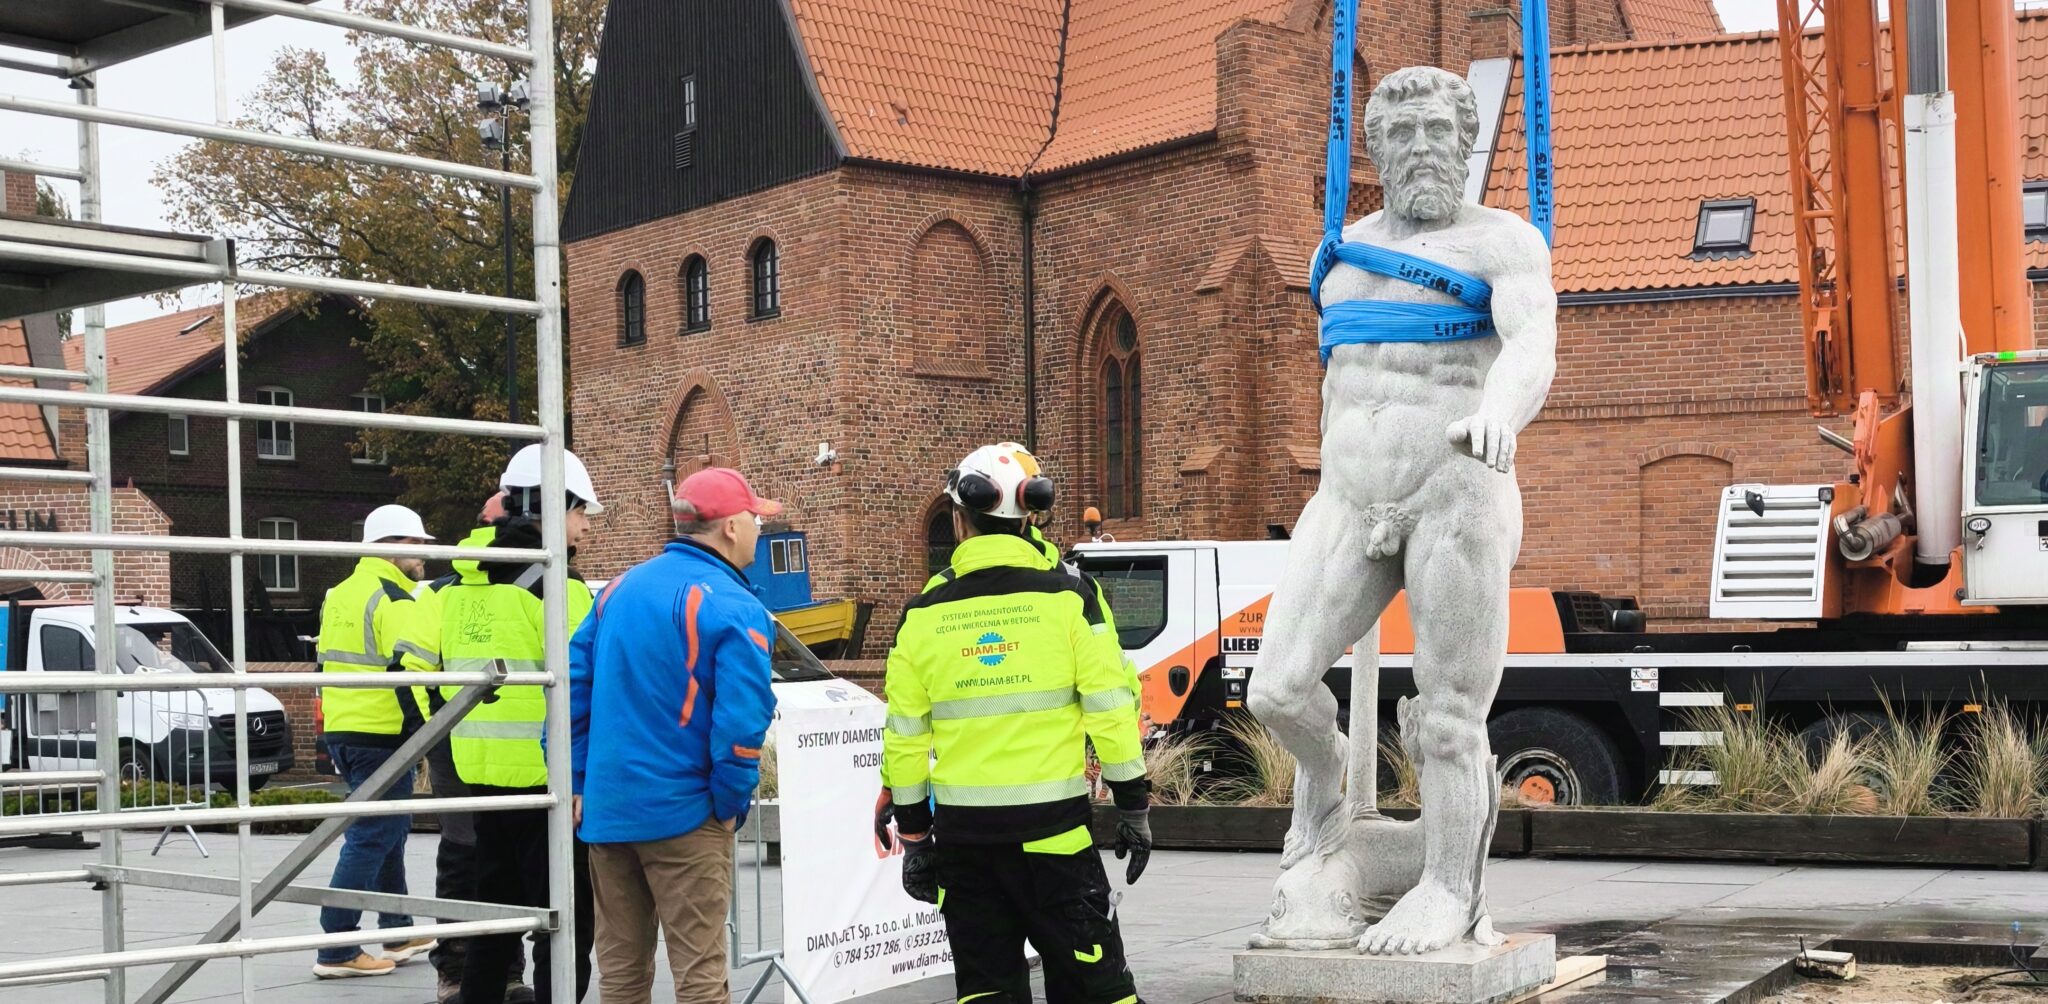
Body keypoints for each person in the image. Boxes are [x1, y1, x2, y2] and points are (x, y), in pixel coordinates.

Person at [1245, 65, 1558, 955]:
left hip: (1456, 491)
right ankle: (1330, 786)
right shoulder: (1338, 256)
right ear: (1376, 151)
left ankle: (1448, 892)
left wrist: (1499, 412)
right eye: (1403, 134)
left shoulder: (1503, 241)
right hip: (1348, 498)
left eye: (1437, 132)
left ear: (1466, 143)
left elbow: (1532, 341)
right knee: (1277, 689)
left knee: (1450, 714)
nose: (1422, 148)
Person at [879, 442, 1153, 1004]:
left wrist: (914, 835)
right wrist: (1133, 806)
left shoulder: (923, 613)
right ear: (1029, 518)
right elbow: (1110, 709)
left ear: (960, 520)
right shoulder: (1072, 599)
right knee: (1097, 993)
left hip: (966, 849)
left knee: (987, 993)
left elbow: (906, 736)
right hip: (1056, 844)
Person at [571, 467, 781, 1004]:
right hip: (686, 814)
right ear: (730, 527)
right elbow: (742, 719)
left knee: (620, 971)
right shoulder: (737, 606)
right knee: (700, 976)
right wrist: (729, 803)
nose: (760, 527)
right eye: (755, 518)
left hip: (609, 811)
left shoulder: (618, 588)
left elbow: (573, 685)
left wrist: (576, 779)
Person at [409, 444, 603, 1004]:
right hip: (548, 781)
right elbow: (587, 686)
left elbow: (426, 673)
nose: (584, 528)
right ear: (549, 507)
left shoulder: (454, 588)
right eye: (579, 512)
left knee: (494, 923)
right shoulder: (558, 589)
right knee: (565, 926)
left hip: (482, 777)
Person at [311, 504, 440, 979]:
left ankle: (398, 927)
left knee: (390, 827)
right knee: (375, 833)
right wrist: (426, 734)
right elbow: (408, 674)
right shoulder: (395, 596)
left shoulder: (340, 592)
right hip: (382, 730)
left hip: (345, 727)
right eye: (415, 545)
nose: (424, 552)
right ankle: (337, 944)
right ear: (388, 548)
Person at [417, 490, 533, 1003]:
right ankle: (457, 966)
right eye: (499, 522)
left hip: (513, 749)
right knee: (467, 856)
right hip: (463, 745)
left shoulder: (530, 584)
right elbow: (417, 668)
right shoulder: (444, 593)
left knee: (495, 861)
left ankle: (504, 969)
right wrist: (441, 726)